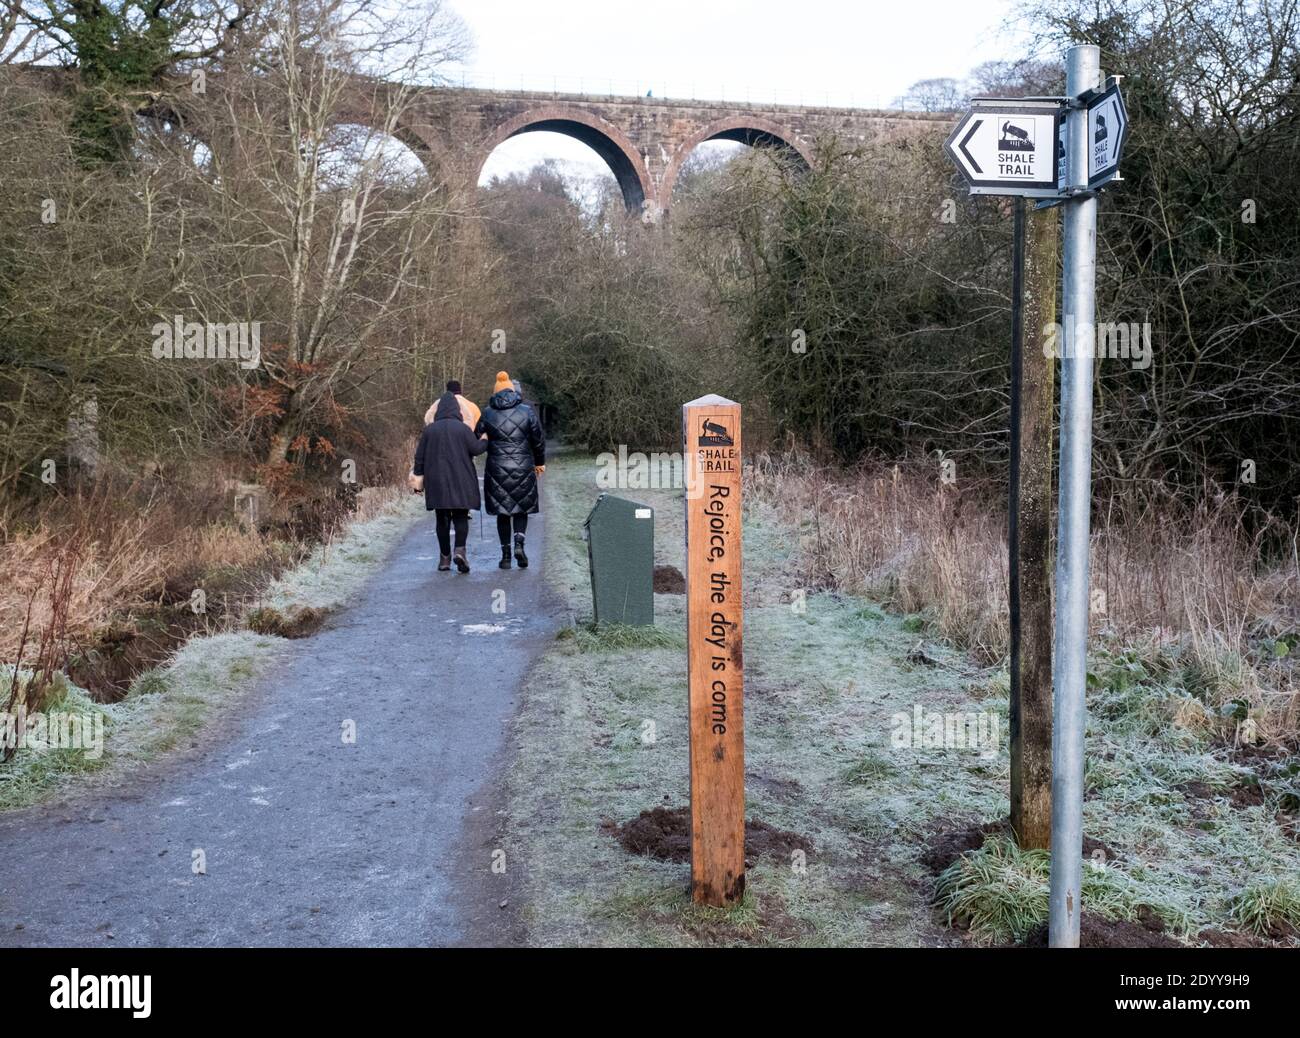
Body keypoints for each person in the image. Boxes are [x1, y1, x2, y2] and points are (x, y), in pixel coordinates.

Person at [475, 370, 545, 569]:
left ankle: (505, 556)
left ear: (496, 393)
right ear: (513, 392)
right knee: (521, 508)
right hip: (523, 467)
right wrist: (539, 462)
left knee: (503, 511)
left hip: (496, 469)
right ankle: (519, 544)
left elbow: (476, 437)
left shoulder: (487, 413)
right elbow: (537, 439)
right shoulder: (526, 411)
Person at [413, 392, 488, 573]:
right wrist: (485, 438)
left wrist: (417, 479)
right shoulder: (463, 429)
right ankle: (459, 550)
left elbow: (419, 458)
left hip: (436, 480)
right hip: (461, 479)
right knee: (461, 515)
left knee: (442, 518)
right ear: (457, 410)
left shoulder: (429, 430)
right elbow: (476, 449)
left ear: (438, 411)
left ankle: (444, 559)